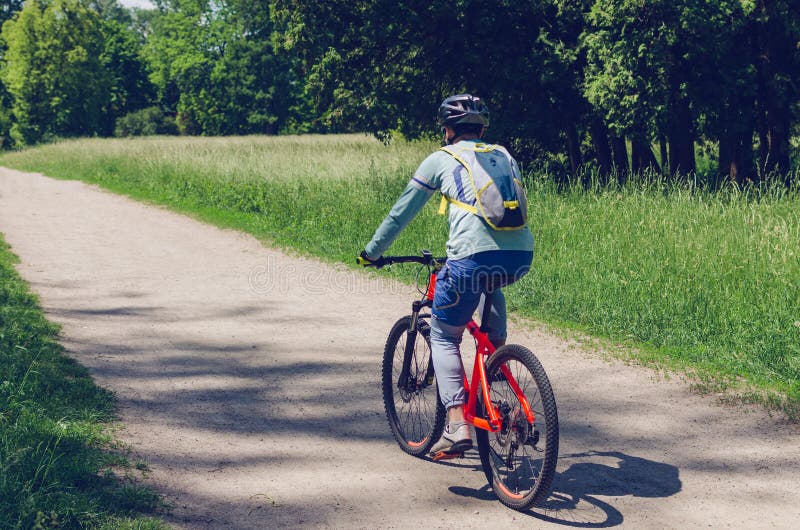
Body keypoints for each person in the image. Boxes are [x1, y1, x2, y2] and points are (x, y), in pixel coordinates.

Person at [360, 94, 534, 458]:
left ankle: (456, 425)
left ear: (447, 129)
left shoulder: (442, 158)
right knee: (488, 284)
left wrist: (372, 252)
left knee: (443, 334)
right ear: (482, 128)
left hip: (470, 258)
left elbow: (401, 212)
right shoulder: (503, 154)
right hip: (519, 255)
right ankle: (498, 359)